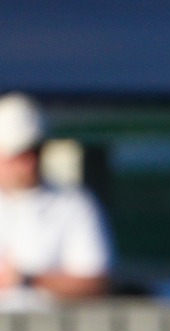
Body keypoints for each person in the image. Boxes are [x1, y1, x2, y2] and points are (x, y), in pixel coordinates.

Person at [0, 93, 112, 310]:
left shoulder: (74, 204)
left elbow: (96, 282)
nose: (29, 163)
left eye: (35, 151)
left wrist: (27, 280)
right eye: (18, 155)